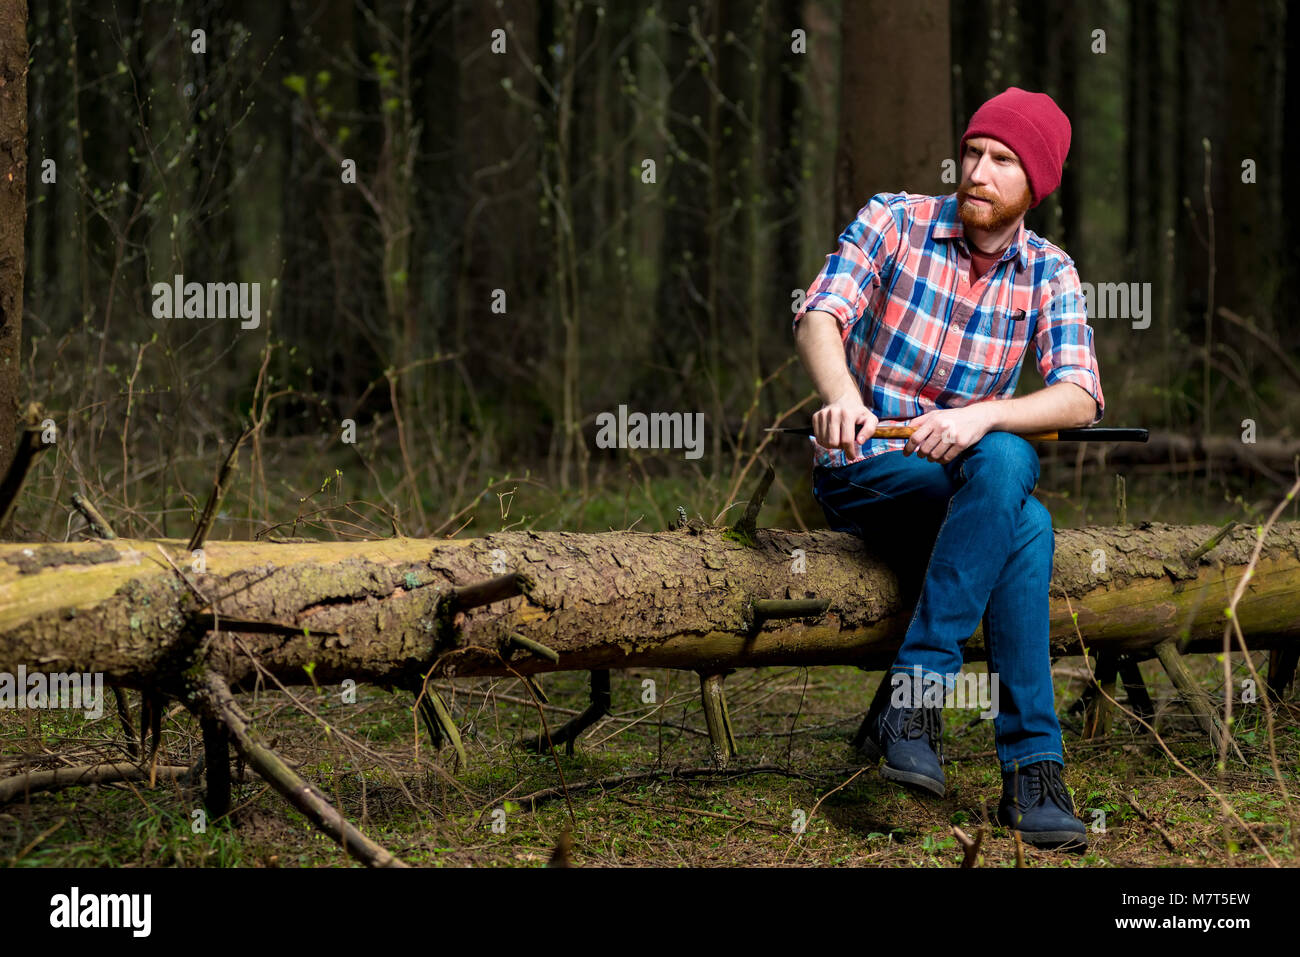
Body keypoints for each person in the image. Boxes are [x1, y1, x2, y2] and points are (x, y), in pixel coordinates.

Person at [792, 87, 1104, 852]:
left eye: (1003, 161)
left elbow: (1081, 394)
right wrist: (841, 395)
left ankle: (921, 705)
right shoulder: (895, 220)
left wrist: (983, 414)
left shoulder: (1048, 272)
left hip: (968, 483)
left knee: (1005, 464)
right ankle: (1029, 765)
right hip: (870, 469)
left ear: (1037, 184)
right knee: (1024, 521)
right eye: (973, 152)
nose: (978, 171)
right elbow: (821, 311)